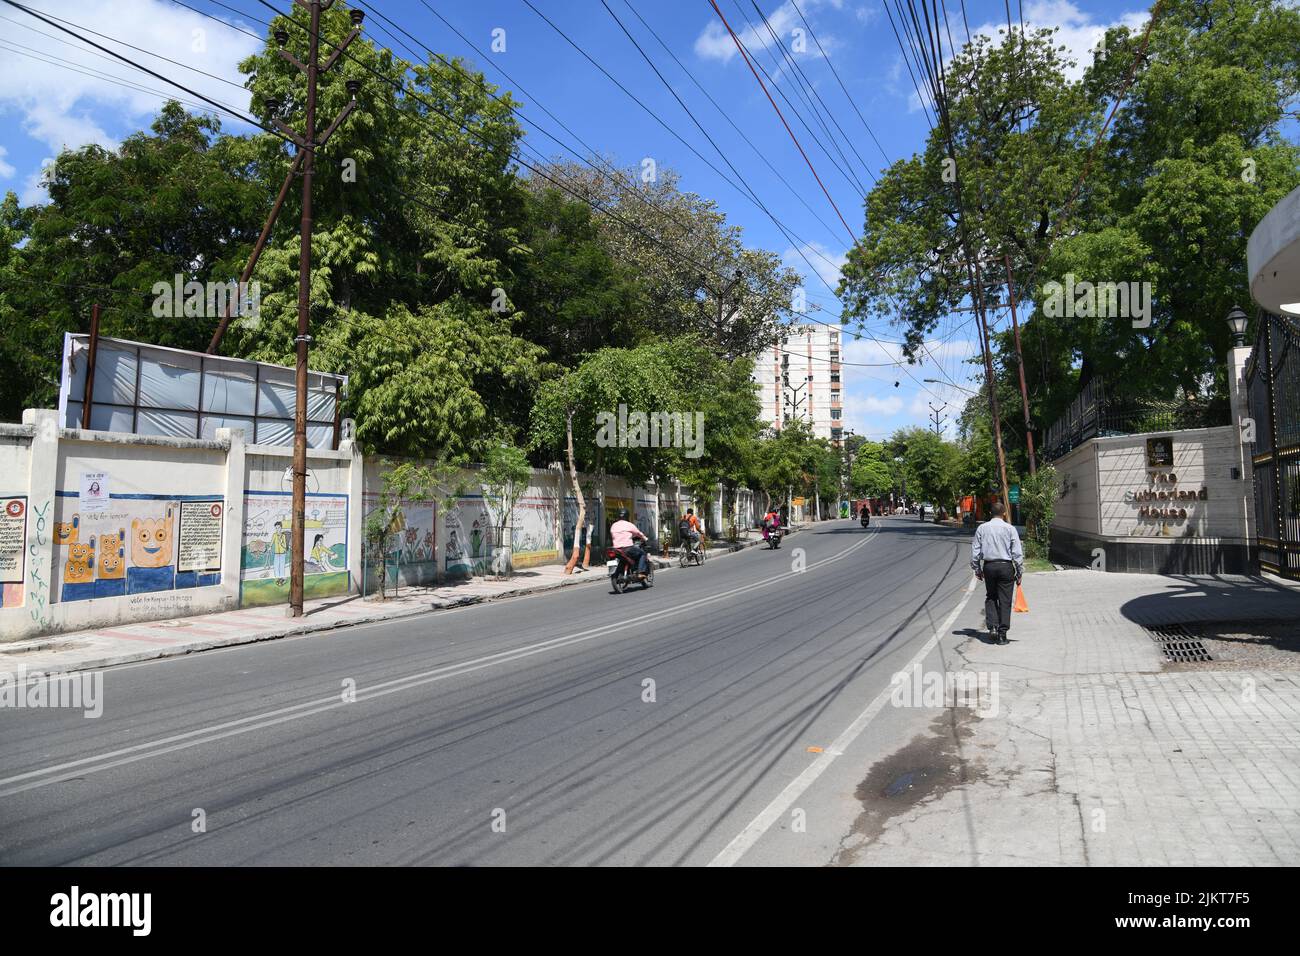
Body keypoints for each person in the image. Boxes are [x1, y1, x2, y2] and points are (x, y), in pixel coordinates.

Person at [970, 501, 1024, 645]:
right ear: (1004, 513)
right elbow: (1017, 553)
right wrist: (1019, 571)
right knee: (1005, 601)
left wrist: (977, 568)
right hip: (1006, 567)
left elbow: (975, 551)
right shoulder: (1010, 529)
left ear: (990, 513)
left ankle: (993, 627)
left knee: (991, 596)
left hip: (990, 566)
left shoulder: (982, 528)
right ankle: (1002, 634)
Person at [609, 508, 649, 577]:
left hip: (616, 549)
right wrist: (645, 538)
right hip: (627, 548)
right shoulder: (629, 525)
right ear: (627, 516)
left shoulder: (613, 525)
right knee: (642, 554)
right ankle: (640, 572)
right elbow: (638, 533)